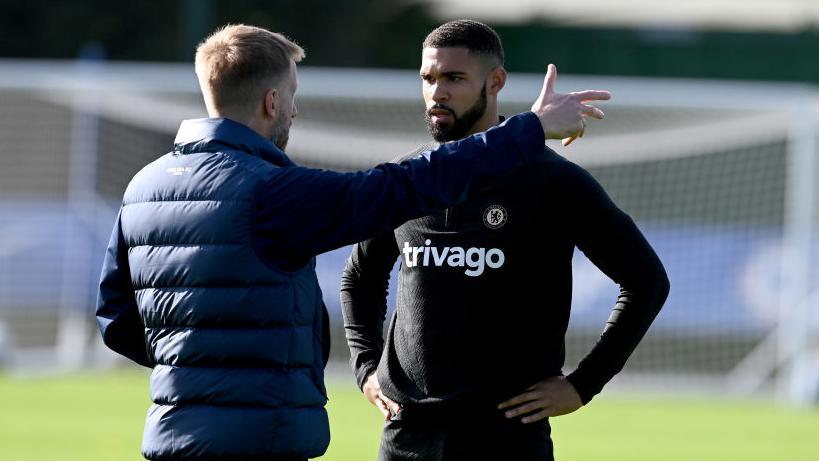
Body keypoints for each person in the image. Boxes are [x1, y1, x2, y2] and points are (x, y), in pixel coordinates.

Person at [94, 23, 610, 461]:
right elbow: (405, 186)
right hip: (259, 438)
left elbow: (116, 319)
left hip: (172, 436)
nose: (294, 111)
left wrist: (195, 367)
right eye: (292, 96)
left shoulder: (144, 187)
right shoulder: (274, 193)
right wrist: (529, 129)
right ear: (272, 101)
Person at [340, 19, 669, 461]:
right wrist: (366, 368)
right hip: (405, 436)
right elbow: (359, 277)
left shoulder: (552, 181)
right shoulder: (407, 179)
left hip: (506, 439)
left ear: (495, 82)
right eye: (428, 78)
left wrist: (582, 385)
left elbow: (647, 281)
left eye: (454, 78)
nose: (437, 93)